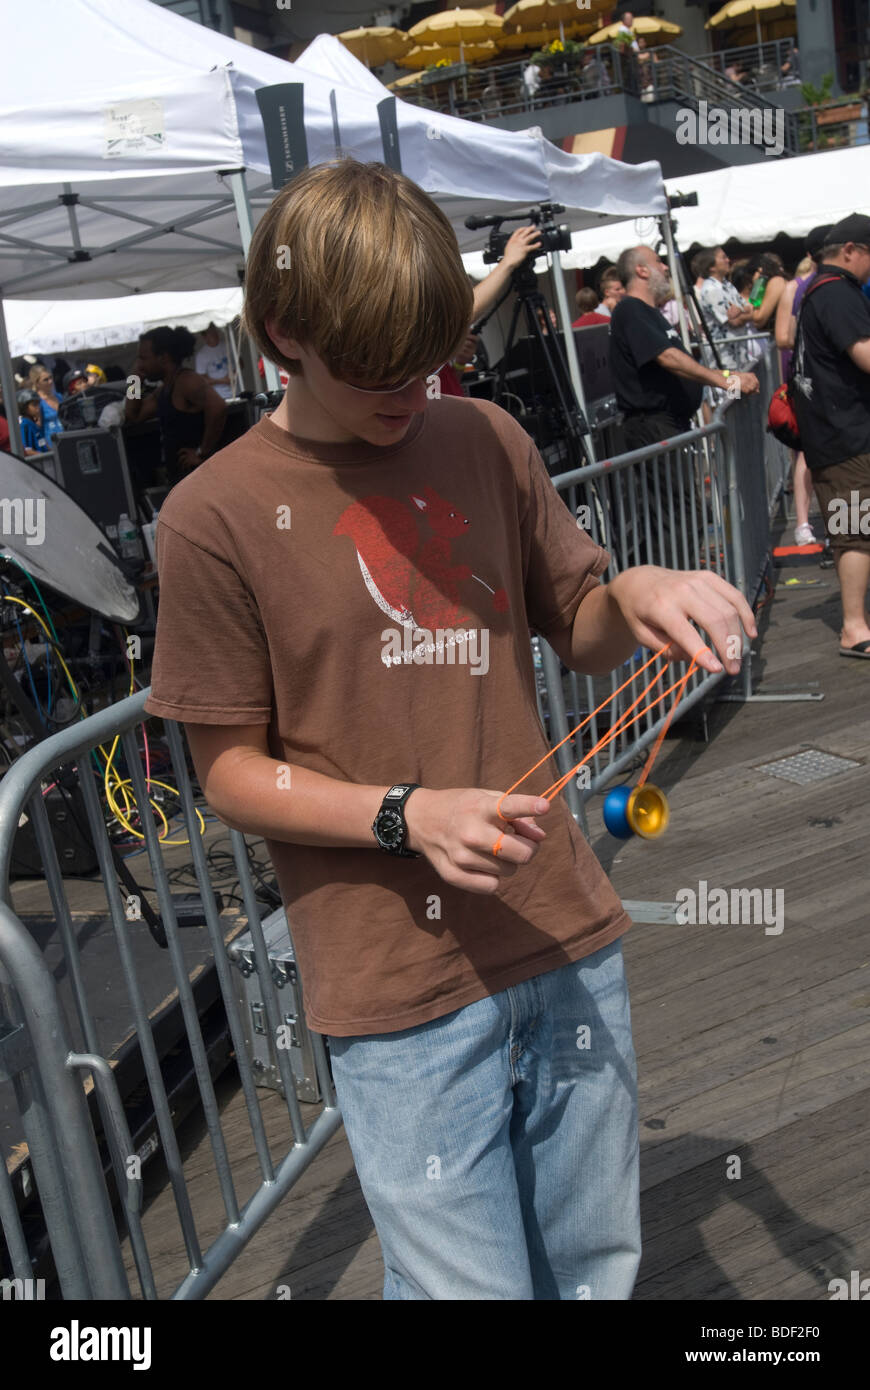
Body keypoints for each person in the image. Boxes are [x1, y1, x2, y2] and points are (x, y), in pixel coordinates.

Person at [143, 157, 756, 1302]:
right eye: (379, 370)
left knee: (595, 1271)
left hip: (563, 931)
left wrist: (638, 592)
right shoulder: (211, 517)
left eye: (434, 359)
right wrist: (404, 814)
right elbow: (227, 772)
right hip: (394, 985)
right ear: (284, 334)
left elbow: (577, 621)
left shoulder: (483, 437)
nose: (412, 392)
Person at [790, 213, 870, 657]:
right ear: (851, 251)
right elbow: (865, 354)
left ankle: (856, 624)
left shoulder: (819, 290)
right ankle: (854, 629)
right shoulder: (837, 292)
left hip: (836, 434)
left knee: (853, 528)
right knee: (854, 531)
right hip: (845, 435)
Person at [609, 244, 759, 452]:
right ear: (641, 270)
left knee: (688, 485)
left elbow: (686, 364)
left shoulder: (650, 313)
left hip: (671, 425)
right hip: (654, 428)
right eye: (658, 262)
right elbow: (668, 357)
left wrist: (732, 375)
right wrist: (729, 382)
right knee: (676, 486)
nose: (665, 268)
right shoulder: (630, 309)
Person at [775, 228, 831, 546]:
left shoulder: (846, 285)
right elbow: (782, 337)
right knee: (806, 453)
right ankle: (803, 524)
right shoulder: (793, 288)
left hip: (838, 389)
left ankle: (841, 530)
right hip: (806, 383)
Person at [125, 325, 228, 485]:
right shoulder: (164, 390)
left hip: (200, 480)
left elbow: (218, 407)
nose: (140, 365)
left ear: (163, 358)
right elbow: (134, 416)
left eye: (144, 358)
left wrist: (202, 452)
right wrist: (134, 381)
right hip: (182, 479)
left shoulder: (186, 381)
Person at [696, 247, 756, 374]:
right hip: (724, 361)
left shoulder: (727, 285)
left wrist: (740, 310)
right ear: (711, 267)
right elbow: (734, 321)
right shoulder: (711, 290)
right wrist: (744, 311)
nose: (728, 260)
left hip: (739, 355)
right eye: (723, 257)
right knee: (731, 394)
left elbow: (750, 308)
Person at [195, 321, 234, 400]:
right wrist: (223, 380)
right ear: (205, 337)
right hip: (218, 396)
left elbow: (240, 362)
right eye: (211, 332)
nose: (215, 334)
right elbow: (201, 380)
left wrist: (234, 373)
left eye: (215, 331)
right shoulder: (201, 355)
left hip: (235, 391)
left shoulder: (227, 345)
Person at [27, 364, 63, 443]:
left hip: (65, 438)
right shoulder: (36, 402)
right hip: (51, 442)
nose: (50, 381)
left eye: (51, 377)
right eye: (45, 380)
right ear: (37, 383)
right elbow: (37, 427)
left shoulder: (59, 397)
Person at [17, 390, 49, 455]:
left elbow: (44, 445)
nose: (38, 408)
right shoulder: (25, 425)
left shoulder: (33, 424)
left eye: (38, 404)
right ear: (24, 407)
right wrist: (44, 456)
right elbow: (27, 451)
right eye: (34, 405)